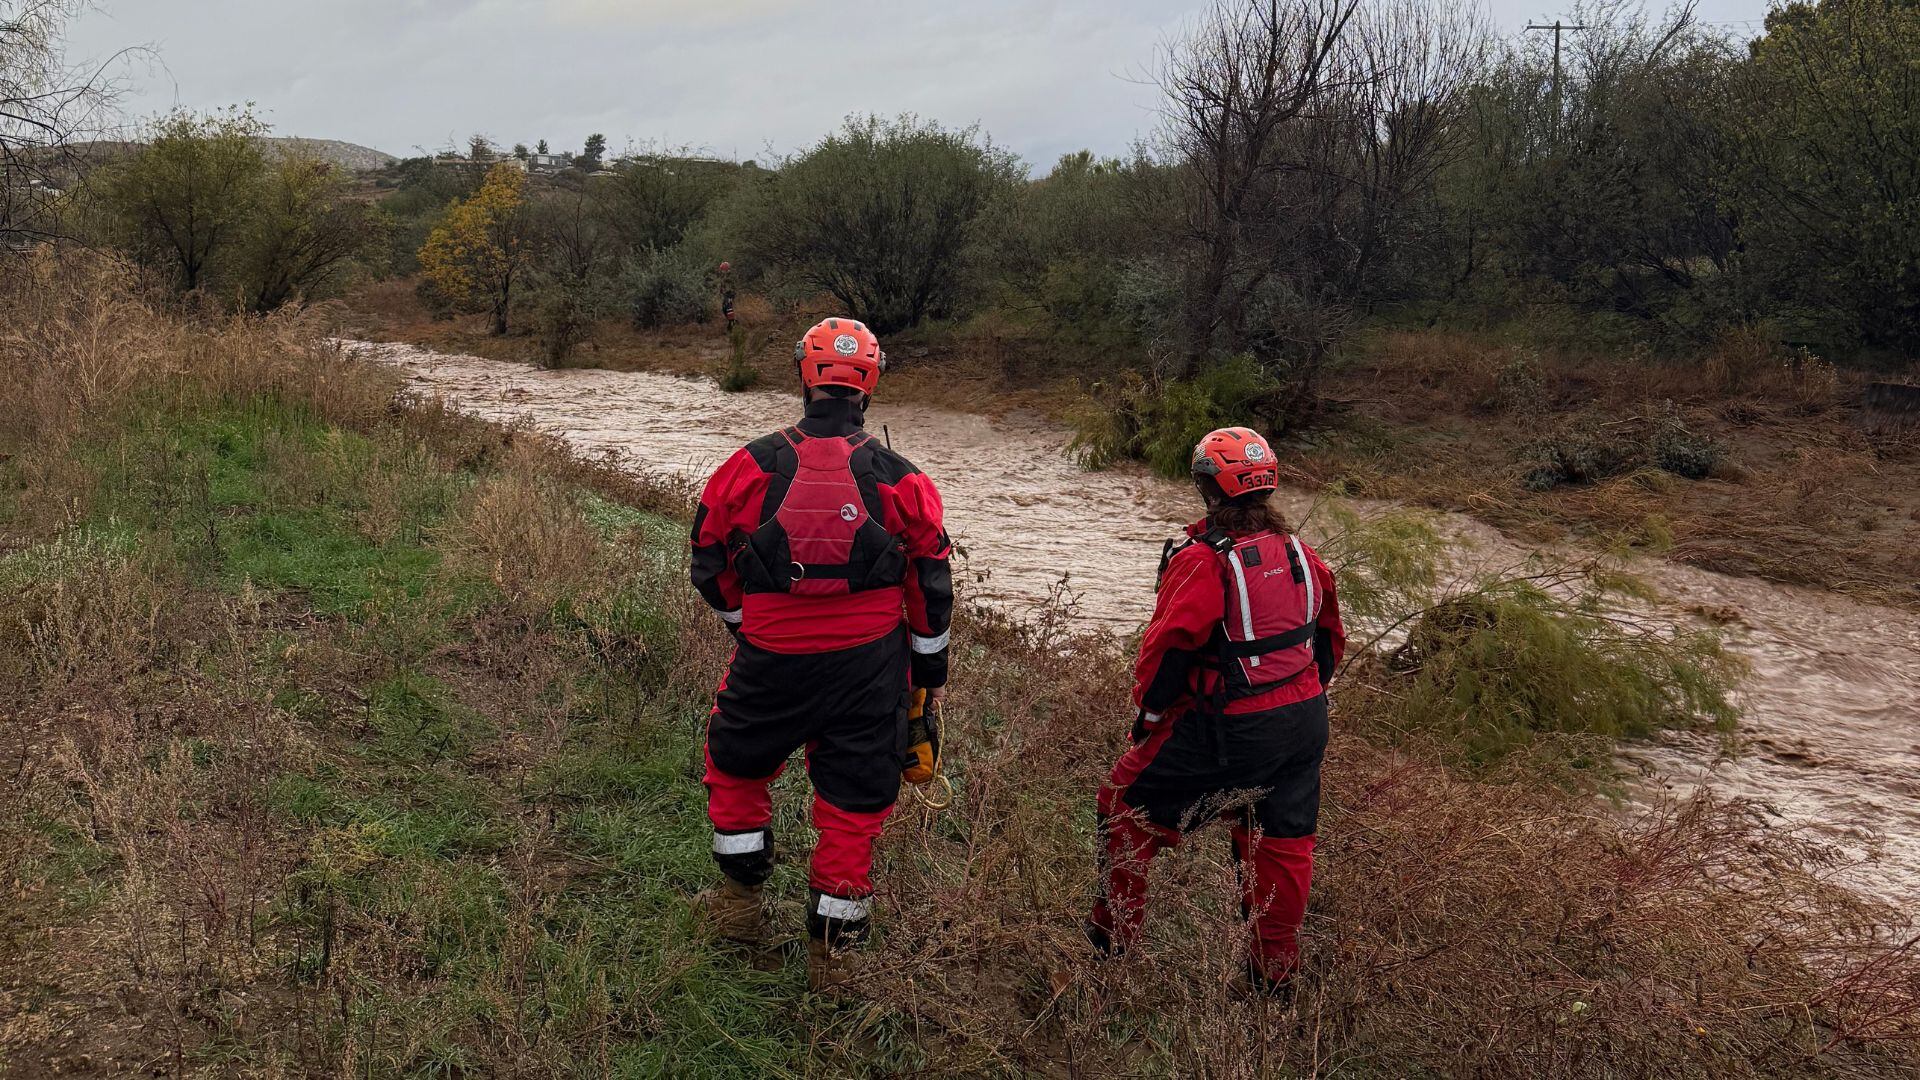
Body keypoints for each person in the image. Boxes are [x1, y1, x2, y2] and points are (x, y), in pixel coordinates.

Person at [689, 316, 954, 991]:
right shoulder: (904, 478)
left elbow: (707, 557)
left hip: (770, 654)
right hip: (870, 668)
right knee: (854, 803)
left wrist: (745, 623)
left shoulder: (746, 465)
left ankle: (739, 908)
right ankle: (833, 963)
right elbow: (931, 581)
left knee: (736, 766)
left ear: (802, 376)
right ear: (871, 385)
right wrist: (926, 674)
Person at [1087, 426, 1345, 993]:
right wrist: (1300, 699)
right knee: (1282, 840)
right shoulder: (1306, 555)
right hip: (1305, 724)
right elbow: (1329, 642)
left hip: (1230, 724)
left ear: (1208, 489)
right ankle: (1272, 975)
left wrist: (1149, 718)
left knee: (1124, 803)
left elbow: (1168, 650)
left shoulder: (1205, 560)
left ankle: (1112, 943)